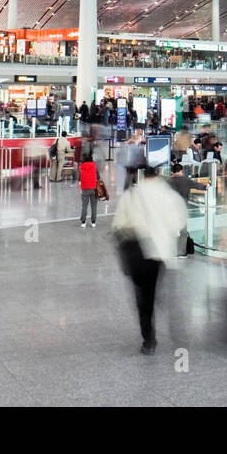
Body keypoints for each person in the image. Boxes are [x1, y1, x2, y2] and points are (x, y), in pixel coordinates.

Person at [112, 165, 187, 355]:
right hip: (161, 252)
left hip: (139, 251)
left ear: (143, 176)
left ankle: (149, 340)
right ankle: (163, 311)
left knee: (143, 298)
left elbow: (119, 224)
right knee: (154, 290)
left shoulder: (132, 196)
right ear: (159, 175)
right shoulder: (170, 195)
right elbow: (179, 222)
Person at [78, 151, 98, 227]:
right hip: (93, 188)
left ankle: (83, 222)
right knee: (94, 205)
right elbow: (98, 177)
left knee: (84, 205)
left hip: (85, 189)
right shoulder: (94, 166)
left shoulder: (81, 167)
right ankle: (93, 222)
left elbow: (79, 179)